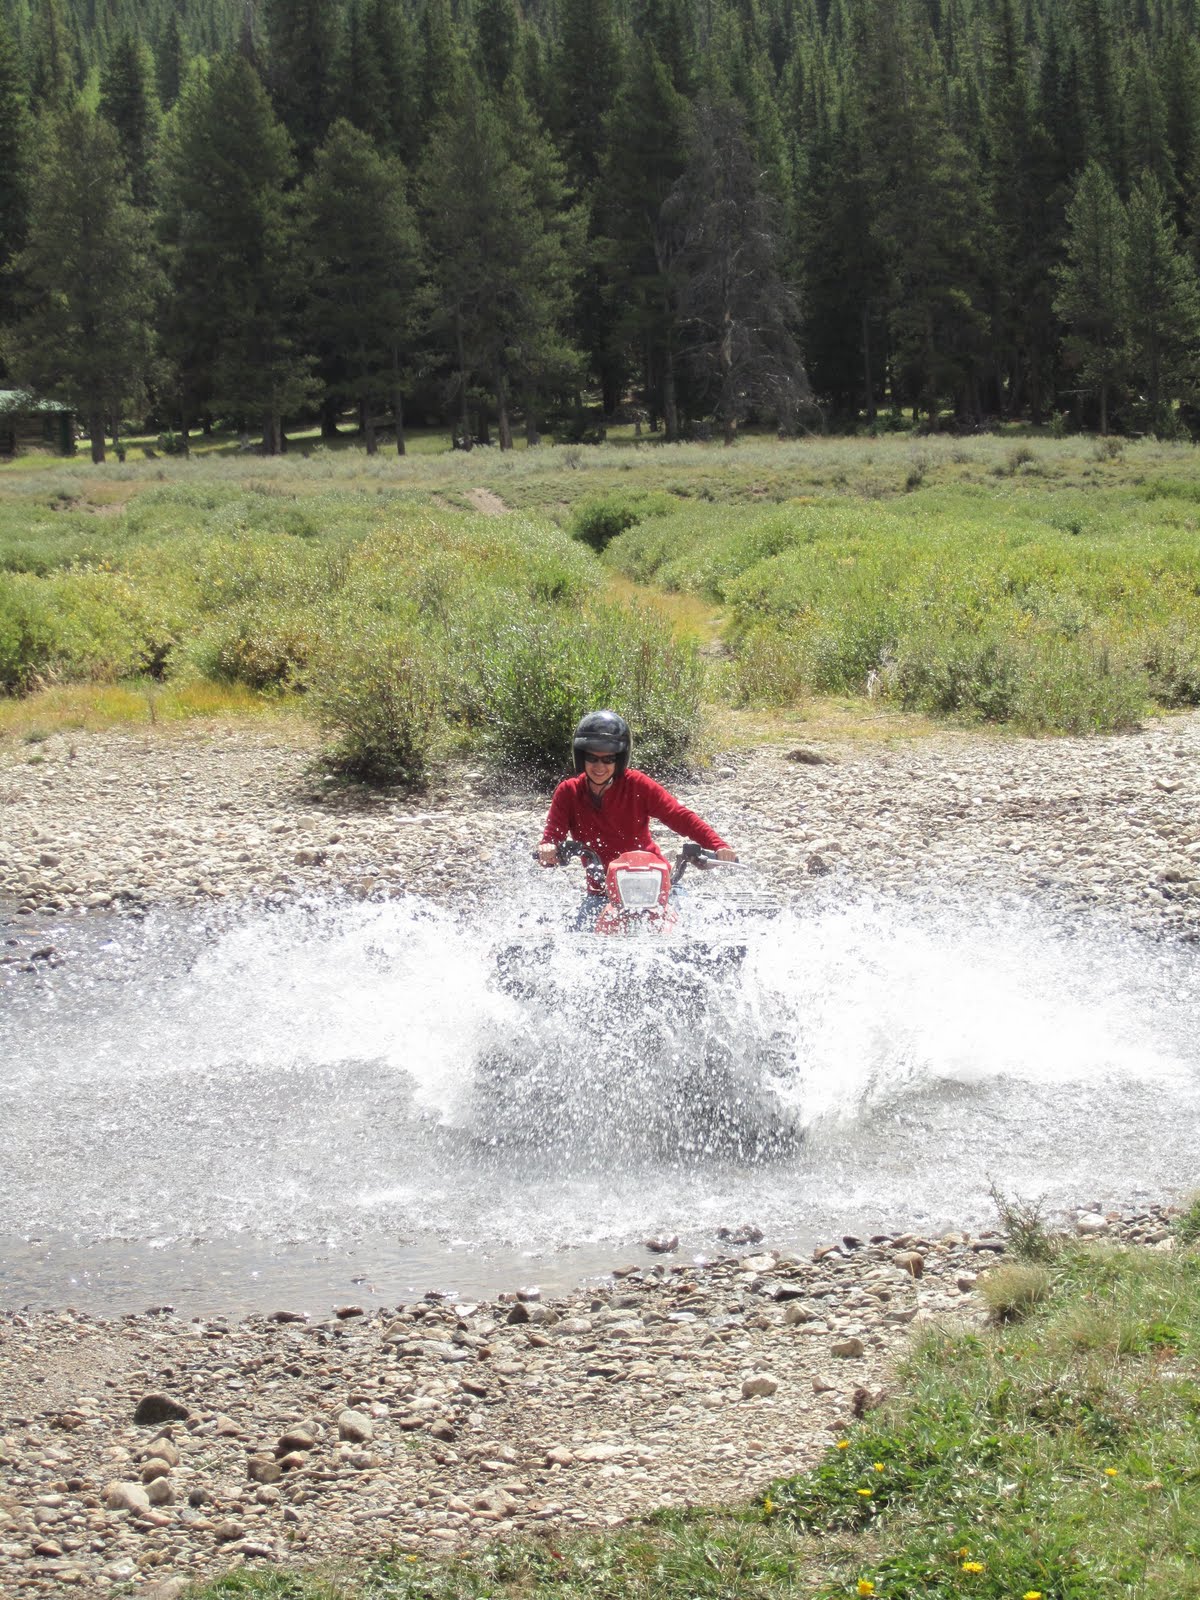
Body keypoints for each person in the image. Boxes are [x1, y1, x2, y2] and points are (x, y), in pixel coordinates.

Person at [538, 710, 737, 924]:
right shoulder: (568, 792)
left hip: (656, 884)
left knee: (690, 926)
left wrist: (718, 845)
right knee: (579, 936)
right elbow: (552, 837)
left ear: (620, 759)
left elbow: (679, 816)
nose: (599, 766)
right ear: (581, 757)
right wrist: (548, 850)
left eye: (608, 759)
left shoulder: (637, 784)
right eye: (592, 758)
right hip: (603, 891)